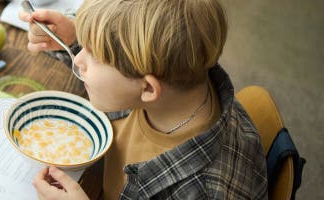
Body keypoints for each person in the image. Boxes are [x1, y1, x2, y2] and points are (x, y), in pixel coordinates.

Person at [19, 0, 268, 199]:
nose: (78, 59)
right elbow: (120, 75)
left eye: (93, 54)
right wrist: (73, 39)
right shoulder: (179, 81)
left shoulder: (204, 191)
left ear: (148, 88)